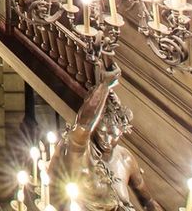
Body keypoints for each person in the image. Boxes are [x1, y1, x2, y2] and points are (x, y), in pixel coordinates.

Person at [49, 64, 163, 211]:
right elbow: (83, 124)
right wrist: (104, 86)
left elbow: (148, 201)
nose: (109, 140)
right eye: (104, 133)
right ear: (95, 127)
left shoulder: (125, 158)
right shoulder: (80, 152)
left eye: (115, 135)